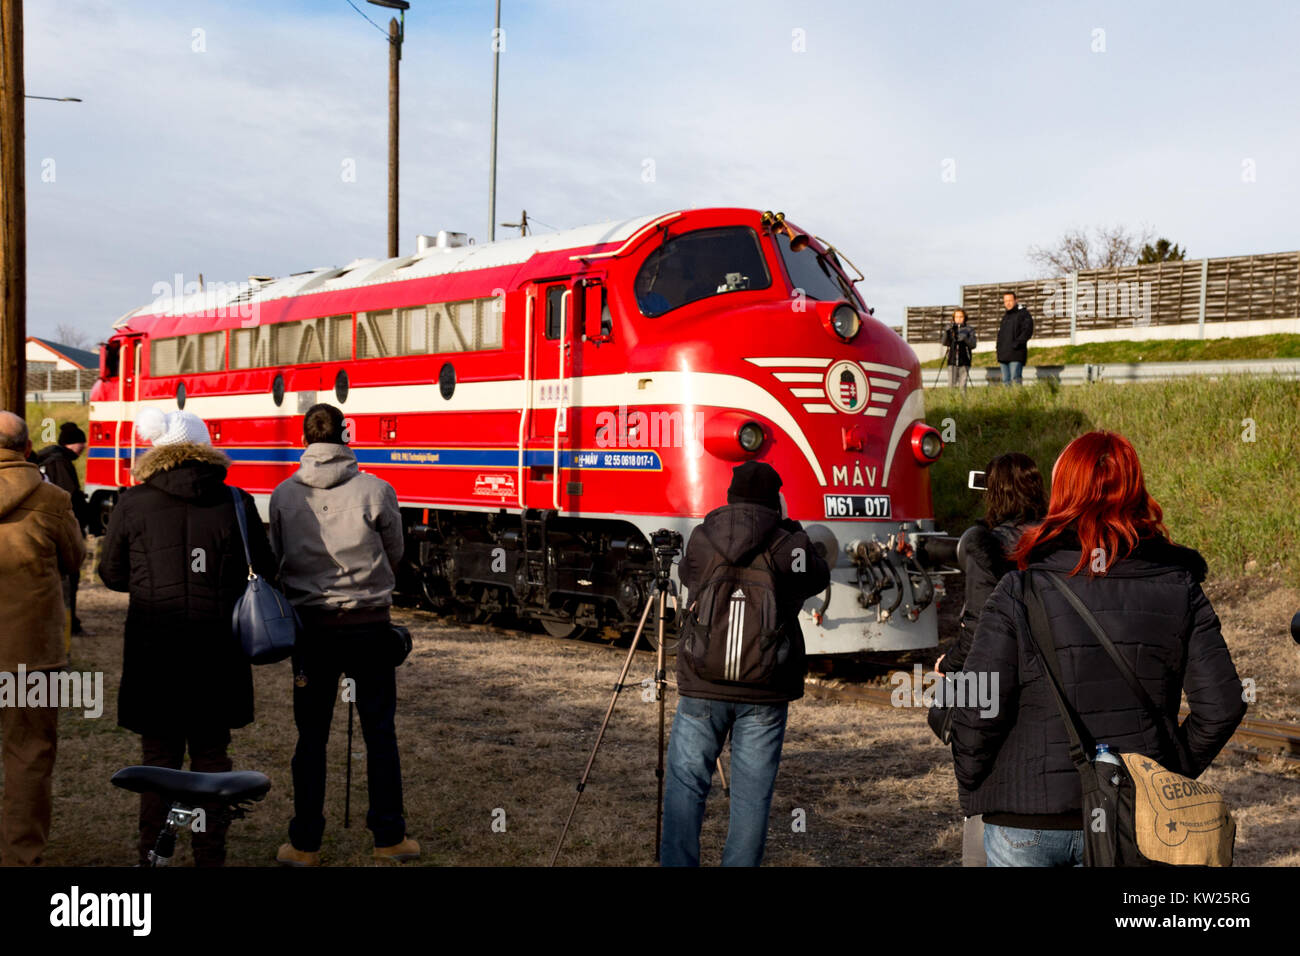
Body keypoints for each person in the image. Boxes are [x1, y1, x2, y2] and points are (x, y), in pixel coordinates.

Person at [950, 431, 1246, 866]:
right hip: (1136, 819)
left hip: (1027, 818)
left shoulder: (1020, 587)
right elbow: (1221, 705)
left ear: (1062, 492)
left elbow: (977, 705)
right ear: (1136, 490)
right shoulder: (1179, 585)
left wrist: (977, 781)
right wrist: (1165, 773)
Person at [98, 407, 275, 867]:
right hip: (218, 649)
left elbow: (111, 573)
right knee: (212, 756)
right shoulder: (235, 501)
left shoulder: (132, 502)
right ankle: (209, 854)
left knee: (158, 759)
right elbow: (265, 569)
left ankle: (152, 856)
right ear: (206, 450)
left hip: (154, 647)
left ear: (157, 452)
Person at [661, 461, 829, 866]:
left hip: (704, 684)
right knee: (752, 797)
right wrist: (795, 531)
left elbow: (688, 576)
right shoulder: (790, 545)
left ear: (731, 497)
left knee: (686, 784)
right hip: (766, 688)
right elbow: (817, 578)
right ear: (776, 500)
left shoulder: (703, 537)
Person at [270, 403, 417, 866]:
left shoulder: (282, 495)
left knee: (310, 738)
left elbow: (279, 556)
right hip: (368, 627)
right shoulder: (377, 489)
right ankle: (389, 837)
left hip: (311, 631)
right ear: (346, 434)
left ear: (304, 439)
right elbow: (395, 551)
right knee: (380, 733)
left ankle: (305, 843)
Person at [936, 452, 1047, 866]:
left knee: (992, 771)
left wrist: (947, 665)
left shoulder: (987, 547)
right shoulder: (1061, 539)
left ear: (994, 493)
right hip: (1053, 678)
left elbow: (979, 627)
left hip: (1001, 682)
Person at [0, 411, 84, 866]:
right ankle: (20, 857)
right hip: (30, 655)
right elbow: (74, 559)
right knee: (29, 758)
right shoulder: (53, 499)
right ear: (28, 449)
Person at [36, 423, 89, 635]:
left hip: (48, 529)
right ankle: (69, 626)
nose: (83, 447)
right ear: (71, 443)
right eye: (81, 443)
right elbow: (69, 500)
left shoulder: (48, 459)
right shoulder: (60, 463)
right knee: (69, 579)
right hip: (62, 531)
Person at [995, 291, 1034, 385]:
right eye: (1005, 301)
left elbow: (1027, 331)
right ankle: (1008, 400)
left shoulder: (1023, 314)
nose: (1008, 303)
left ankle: (1018, 399)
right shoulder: (1005, 317)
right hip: (1003, 354)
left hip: (1016, 353)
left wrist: (1017, 343)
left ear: (1016, 300)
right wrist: (998, 348)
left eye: (1010, 300)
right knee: (1005, 381)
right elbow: (1001, 335)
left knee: (1015, 378)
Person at [939, 308, 977, 390]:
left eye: (961, 317)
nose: (959, 319)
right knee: (951, 386)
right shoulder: (951, 329)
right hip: (952, 361)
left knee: (962, 387)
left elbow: (973, 345)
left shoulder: (969, 329)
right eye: (957, 317)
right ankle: (951, 401)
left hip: (965, 361)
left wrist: (965, 339)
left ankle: (963, 402)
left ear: (965, 318)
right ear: (953, 318)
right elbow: (944, 343)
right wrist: (946, 332)